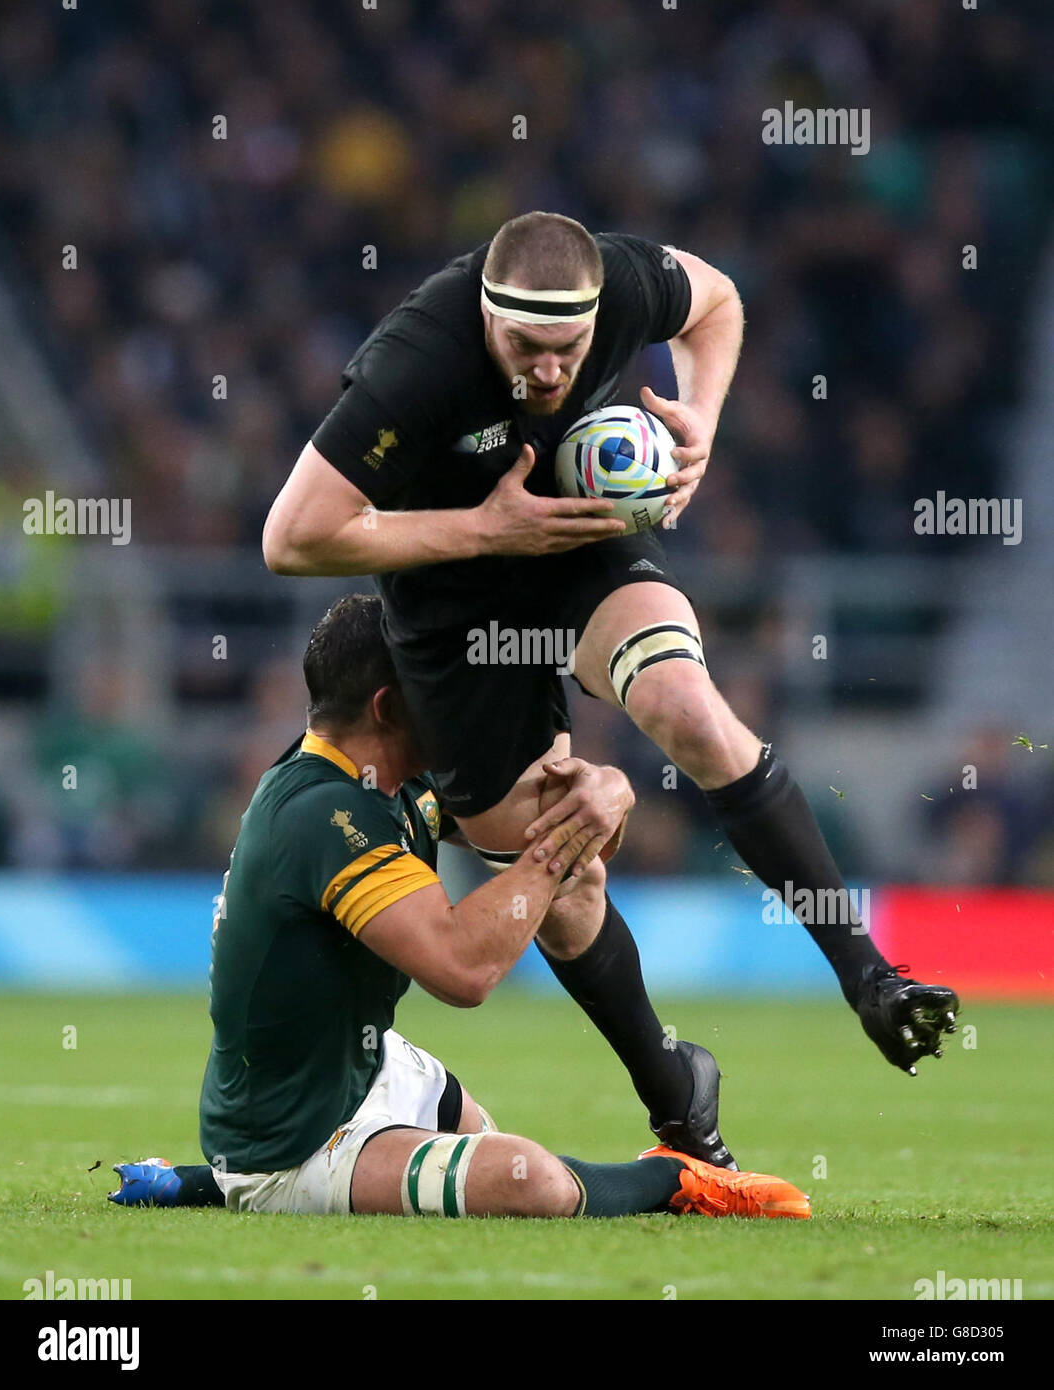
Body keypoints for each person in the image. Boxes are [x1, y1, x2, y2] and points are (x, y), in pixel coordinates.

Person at [261, 211, 958, 1082]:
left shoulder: (625, 282)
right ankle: (675, 1088)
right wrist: (484, 530)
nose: (550, 370)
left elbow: (718, 301)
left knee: (687, 710)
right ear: (485, 314)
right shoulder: (417, 364)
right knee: (558, 873)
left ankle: (871, 978)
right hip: (451, 603)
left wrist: (701, 416)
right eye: (525, 348)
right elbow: (292, 539)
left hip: (581, 542)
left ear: (599, 312)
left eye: (571, 347)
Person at [109, 595, 808, 1221]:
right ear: (388, 705)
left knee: (488, 1153)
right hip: (295, 1142)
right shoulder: (325, 814)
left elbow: (558, 842)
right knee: (529, 1182)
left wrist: (610, 790)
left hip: (364, 1067)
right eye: (434, 681)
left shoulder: (379, 780)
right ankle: (679, 1181)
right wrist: (558, 845)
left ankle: (204, 1181)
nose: (456, 699)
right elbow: (464, 970)